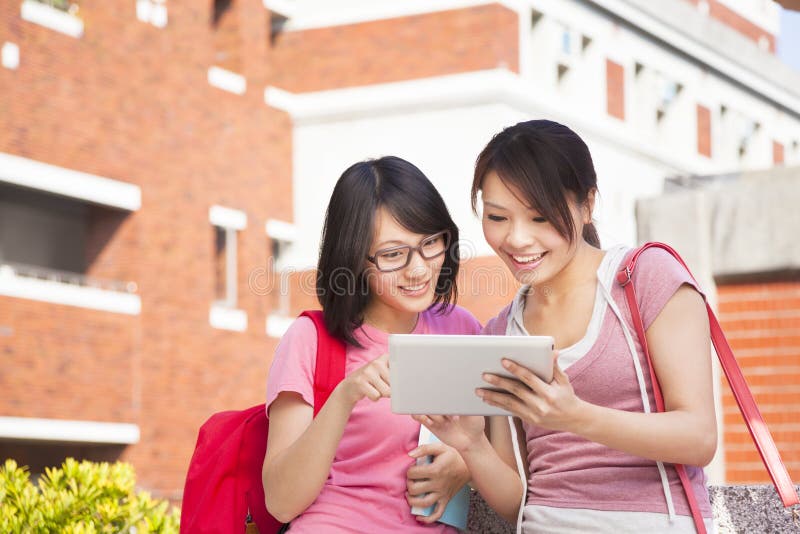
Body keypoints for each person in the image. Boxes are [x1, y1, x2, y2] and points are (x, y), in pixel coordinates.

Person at [416, 120, 717, 533]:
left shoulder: (646, 277)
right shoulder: (501, 331)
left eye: (540, 217)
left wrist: (575, 417)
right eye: (498, 217)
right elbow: (516, 501)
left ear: (587, 204)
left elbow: (699, 437)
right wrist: (471, 445)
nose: (518, 239)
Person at [262, 156, 482, 532]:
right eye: (394, 254)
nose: (418, 268)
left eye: (431, 243)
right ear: (354, 258)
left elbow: (504, 442)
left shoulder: (462, 328)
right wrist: (346, 395)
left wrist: (463, 465)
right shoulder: (310, 339)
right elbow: (281, 502)